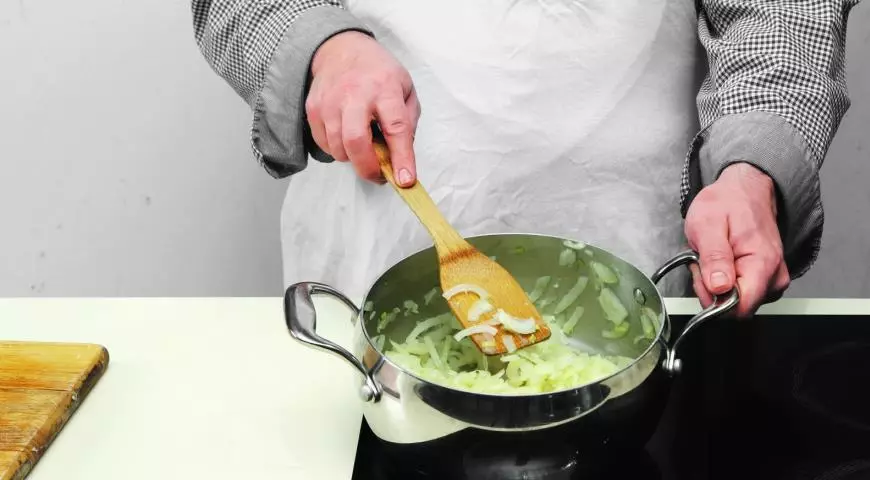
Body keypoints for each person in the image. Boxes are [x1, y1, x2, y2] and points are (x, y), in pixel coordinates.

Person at [191, 0, 859, 317]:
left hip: (653, 264)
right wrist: (324, 49)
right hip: (368, 266)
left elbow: (781, 13)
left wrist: (753, 174)